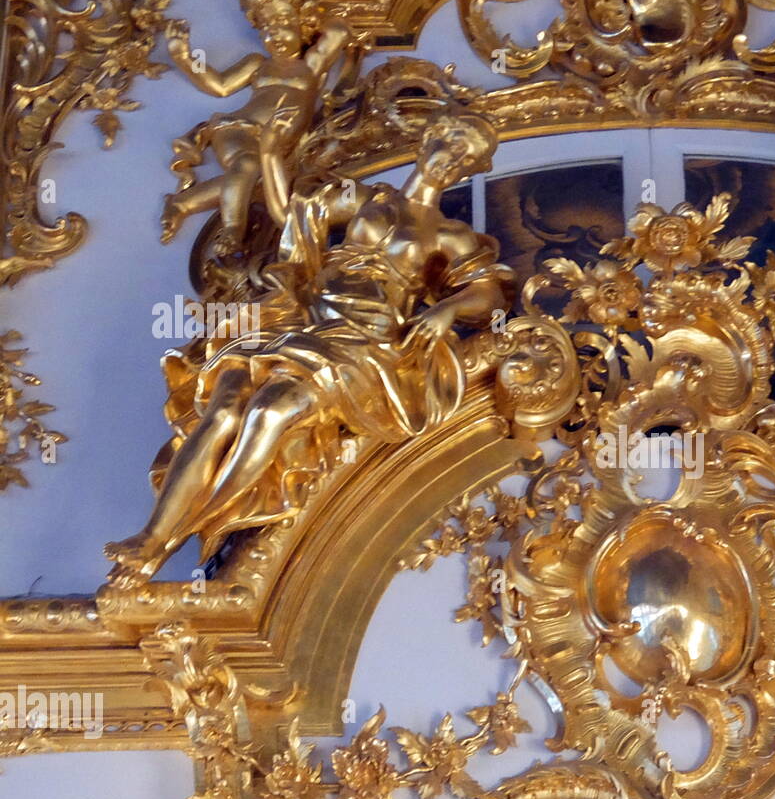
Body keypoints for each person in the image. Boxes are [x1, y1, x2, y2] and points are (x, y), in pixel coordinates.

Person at [106, 114, 515, 585]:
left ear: (466, 171)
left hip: (362, 339)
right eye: (450, 143)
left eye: (464, 158)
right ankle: (152, 535)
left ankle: (183, 531)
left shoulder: (448, 235)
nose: (451, 160)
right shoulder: (364, 198)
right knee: (222, 410)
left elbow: (490, 292)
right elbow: (288, 213)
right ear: (429, 140)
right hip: (299, 321)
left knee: (269, 413)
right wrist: (269, 152)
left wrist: (449, 308)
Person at [160, 0, 355, 249]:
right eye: (267, 28)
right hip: (238, 128)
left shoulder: (311, 65)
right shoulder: (258, 64)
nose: (274, 35)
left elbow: (338, 33)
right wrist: (184, 57)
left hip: (275, 141)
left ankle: (182, 203)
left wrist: (306, 13)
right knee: (248, 165)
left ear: (302, 24)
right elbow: (220, 86)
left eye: (283, 24)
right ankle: (232, 230)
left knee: (250, 181)